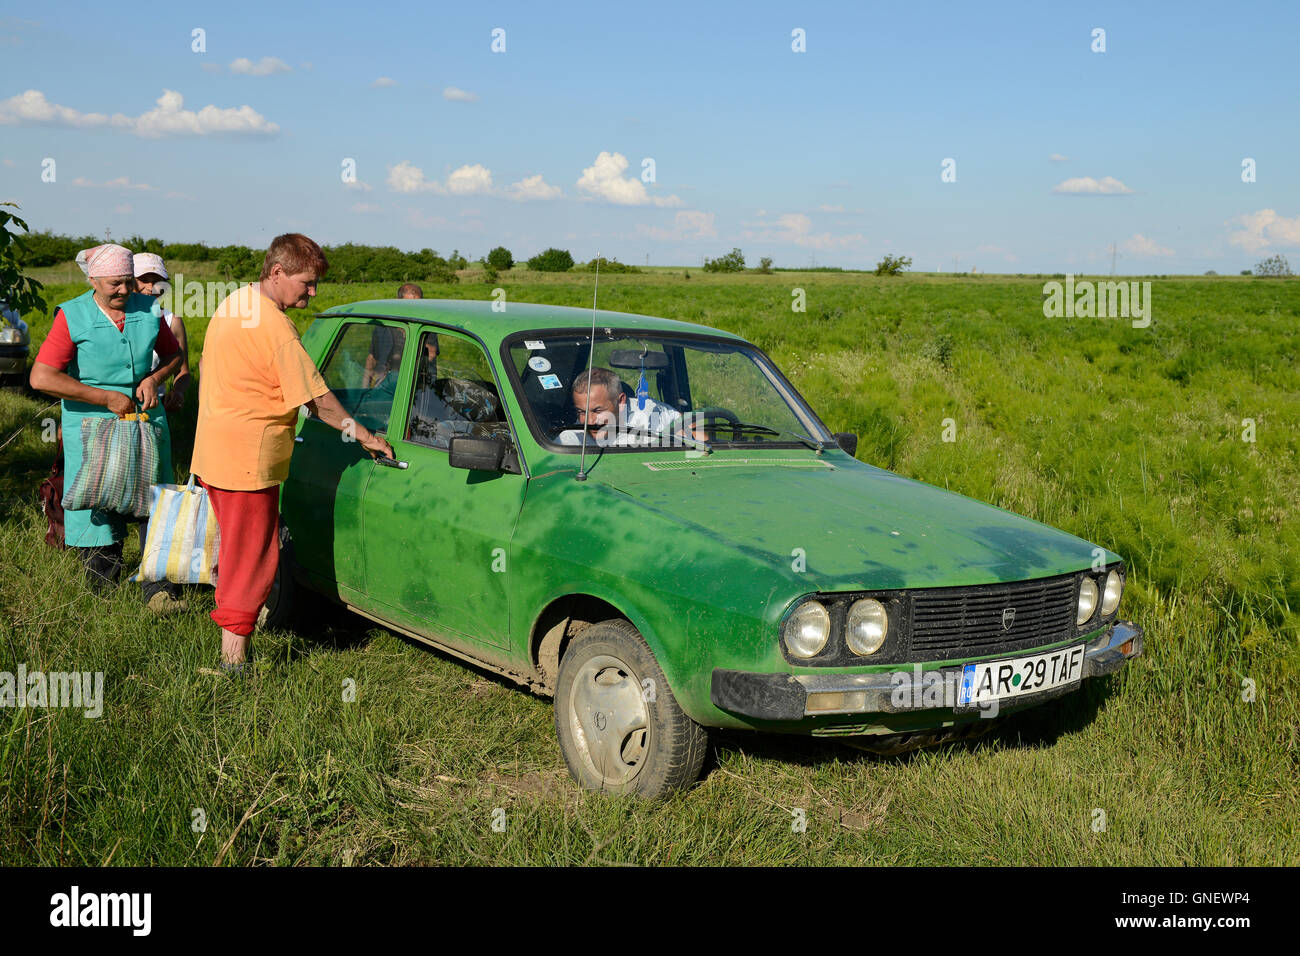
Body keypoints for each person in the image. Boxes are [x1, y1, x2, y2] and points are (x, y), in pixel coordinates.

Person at [189, 233, 393, 673]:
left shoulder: (235, 303)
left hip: (215, 450)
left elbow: (208, 367)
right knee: (255, 557)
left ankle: (231, 642)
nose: (313, 292)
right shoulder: (274, 326)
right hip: (249, 460)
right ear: (277, 273)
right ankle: (233, 662)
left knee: (235, 549)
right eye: (307, 282)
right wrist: (364, 435)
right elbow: (316, 400)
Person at [29, 243, 185, 612]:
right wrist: (104, 398)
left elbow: (175, 353)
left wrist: (156, 377)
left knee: (154, 498)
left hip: (145, 420)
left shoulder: (149, 309)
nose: (125, 290)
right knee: (99, 500)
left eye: (129, 282)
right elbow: (41, 377)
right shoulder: (72, 315)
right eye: (116, 283)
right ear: (92, 279)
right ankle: (101, 592)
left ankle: (159, 590)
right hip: (93, 425)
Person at [557, 366, 684, 446]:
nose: (589, 422)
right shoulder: (571, 438)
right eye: (582, 412)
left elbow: (697, 436)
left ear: (621, 401)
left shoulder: (651, 415)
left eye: (598, 410)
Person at [364, 283, 425, 387]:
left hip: (411, 386)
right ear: (398, 302)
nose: (412, 309)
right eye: (408, 305)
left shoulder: (424, 328)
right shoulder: (383, 327)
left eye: (417, 305)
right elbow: (372, 358)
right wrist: (364, 388)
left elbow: (430, 358)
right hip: (383, 383)